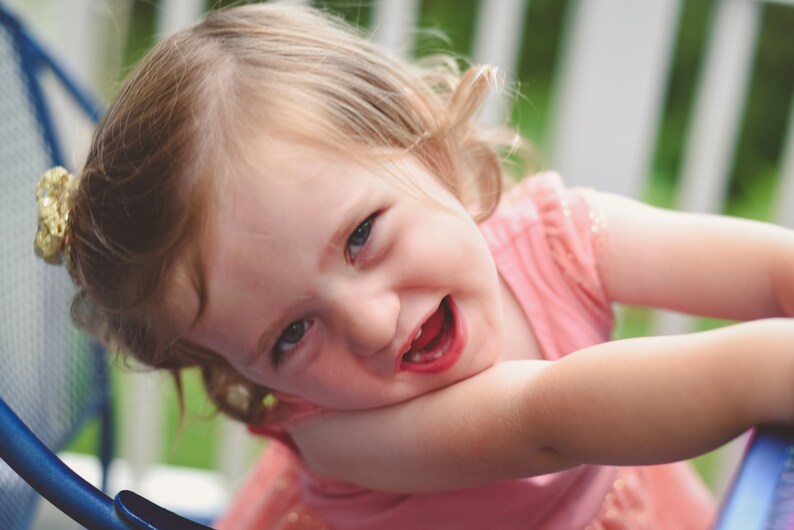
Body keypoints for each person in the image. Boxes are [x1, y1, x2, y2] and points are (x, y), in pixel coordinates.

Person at [33, 3, 794, 529]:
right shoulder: (346, 438)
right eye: (291, 334)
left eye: (362, 235)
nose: (370, 321)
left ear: (423, 148)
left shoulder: (554, 236)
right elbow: (550, 419)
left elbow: (770, 272)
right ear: (249, 377)